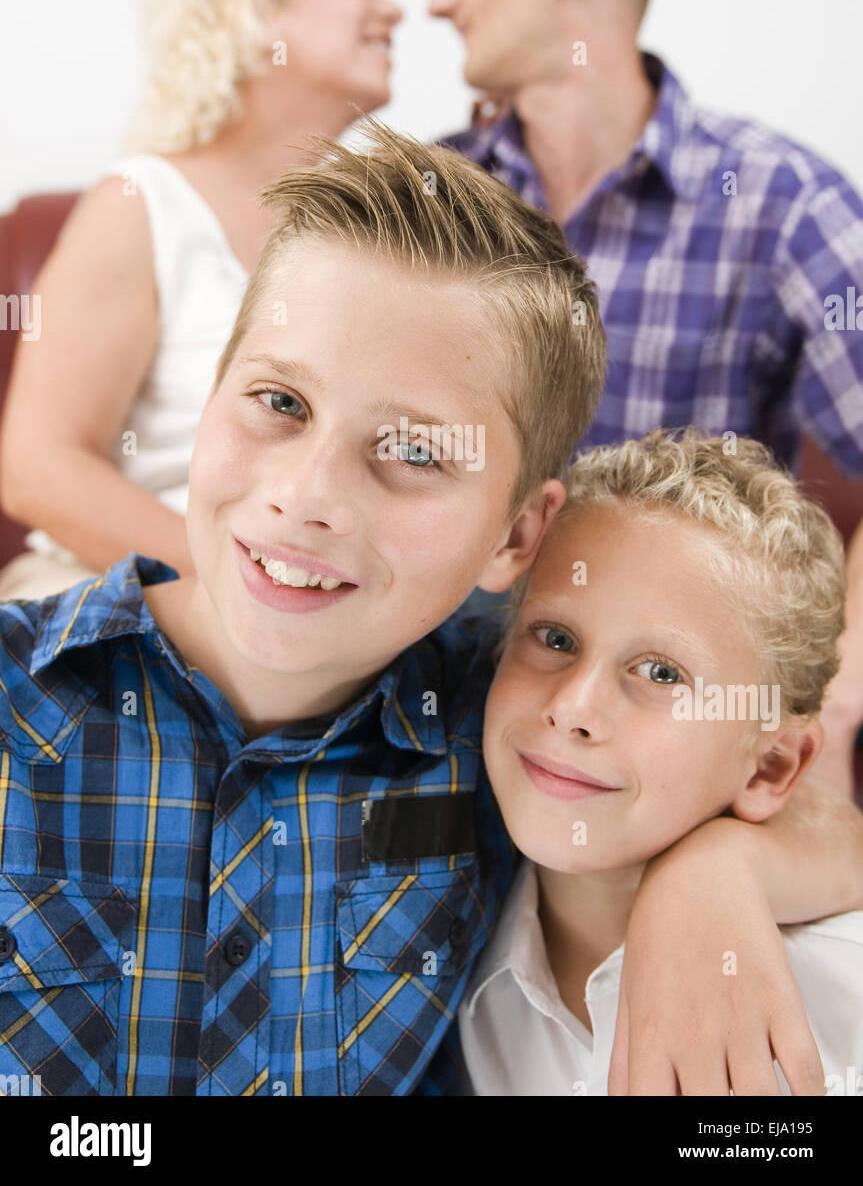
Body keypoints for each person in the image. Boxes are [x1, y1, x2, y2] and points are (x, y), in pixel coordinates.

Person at [1, 126, 862, 1097]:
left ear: (513, 537)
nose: (306, 493)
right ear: (209, 397)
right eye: (279, 401)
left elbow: (794, 811)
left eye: (413, 452)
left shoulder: (509, 724)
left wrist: (713, 878)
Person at [430, 0, 863, 794]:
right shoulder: (433, 198)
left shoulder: (779, 200)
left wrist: (834, 694)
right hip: (441, 687)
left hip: (667, 713)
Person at [0, 0, 401, 601]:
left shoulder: (377, 237)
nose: (392, 10)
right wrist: (247, 580)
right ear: (258, 12)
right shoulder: (140, 204)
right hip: (121, 597)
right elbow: (36, 468)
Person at [460, 429, 863, 1096]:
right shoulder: (457, 948)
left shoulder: (840, 993)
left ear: (769, 767)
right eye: (554, 638)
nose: (573, 707)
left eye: (660, 672)